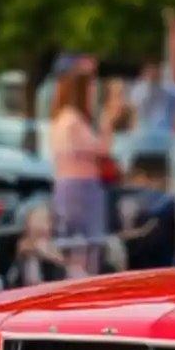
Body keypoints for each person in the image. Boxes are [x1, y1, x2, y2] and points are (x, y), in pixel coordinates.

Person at [49, 71, 113, 275]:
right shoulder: (73, 121)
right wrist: (107, 123)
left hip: (65, 185)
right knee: (88, 243)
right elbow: (102, 150)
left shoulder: (59, 119)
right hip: (82, 187)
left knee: (70, 242)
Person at [9, 203, 67, 287]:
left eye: (46, 220)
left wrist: (55, 260)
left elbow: (65, 278)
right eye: (38, 220)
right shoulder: (23, 252)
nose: (42, 226)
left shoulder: (59, 249)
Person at [130, 61, 175, 135]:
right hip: (145, 134)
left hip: (165, 134)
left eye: (155, 70)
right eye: (150, 71)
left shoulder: (169, 90)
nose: (153, 74)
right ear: (144, 73)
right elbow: (133, 111)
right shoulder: (139, 91)